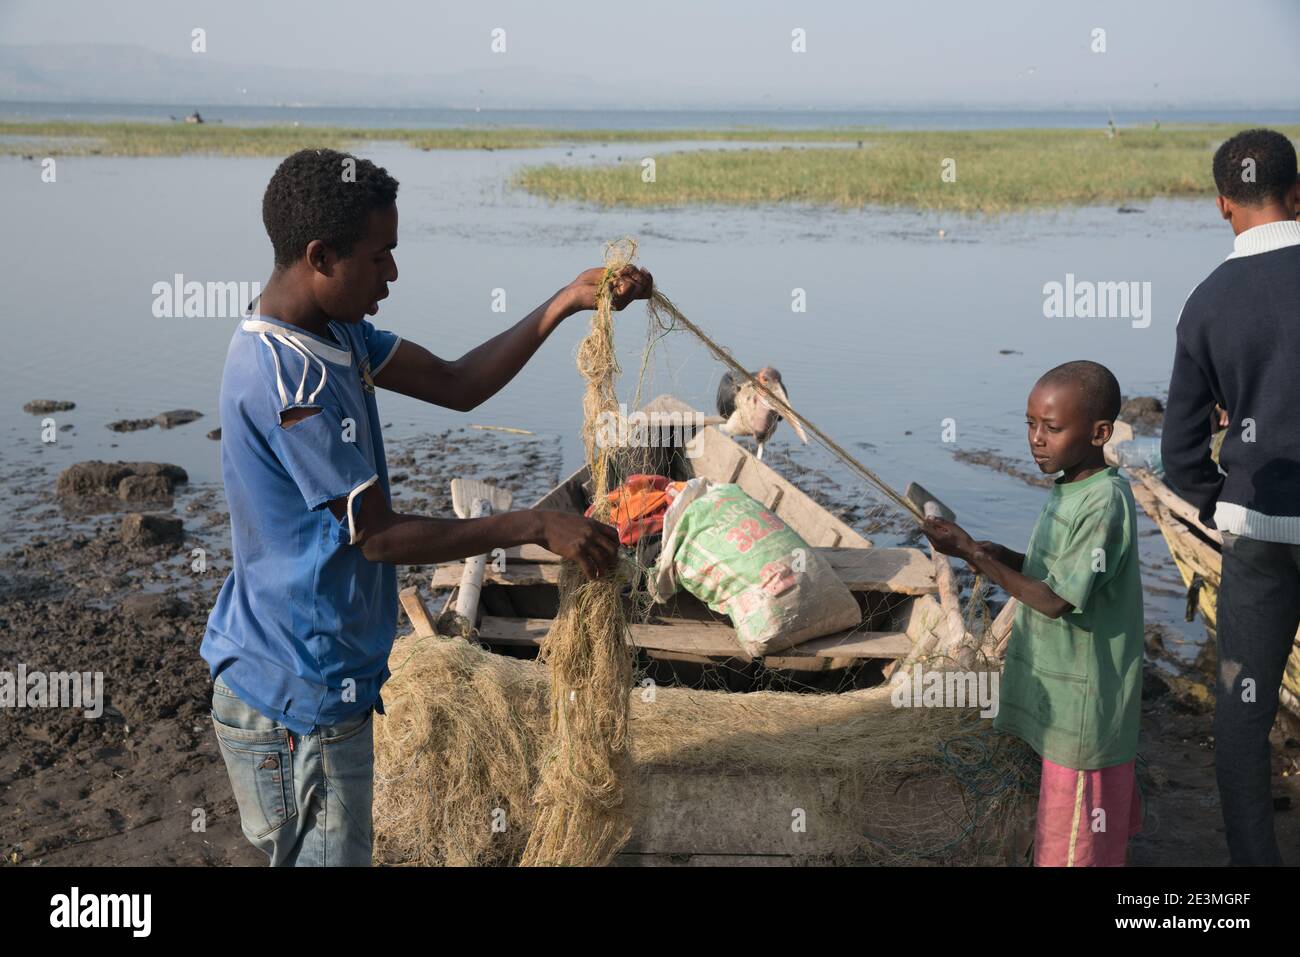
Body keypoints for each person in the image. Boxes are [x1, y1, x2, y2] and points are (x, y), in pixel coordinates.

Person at [200, 148, 652, 866]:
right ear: (321, 256)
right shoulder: (288, 381)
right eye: (380, 258)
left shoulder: (335, 332)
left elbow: (458, 380)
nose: (393, 275)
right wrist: (532, 523)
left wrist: (567, 300)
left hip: (313, 674)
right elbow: (376, 537)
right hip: (299, 693)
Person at [924, 361, 1144, 866]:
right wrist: (1002, 555)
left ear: (1099, 433)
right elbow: (1057, 574)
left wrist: (972, 556)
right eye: (1030, 424)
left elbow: (1054, 599)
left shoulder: (1104, 502)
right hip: (1066, 705)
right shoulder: (1071, 485)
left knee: (1072, 849)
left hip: (1084, 716)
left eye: (1052, 427)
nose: (1036, 440)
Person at [1161, 128, 1300, 865]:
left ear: (1222, 205)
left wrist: (1226, 502)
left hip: (1255, 533)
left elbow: (1180, 456)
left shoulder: (1207, 302)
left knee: (1242, 717)